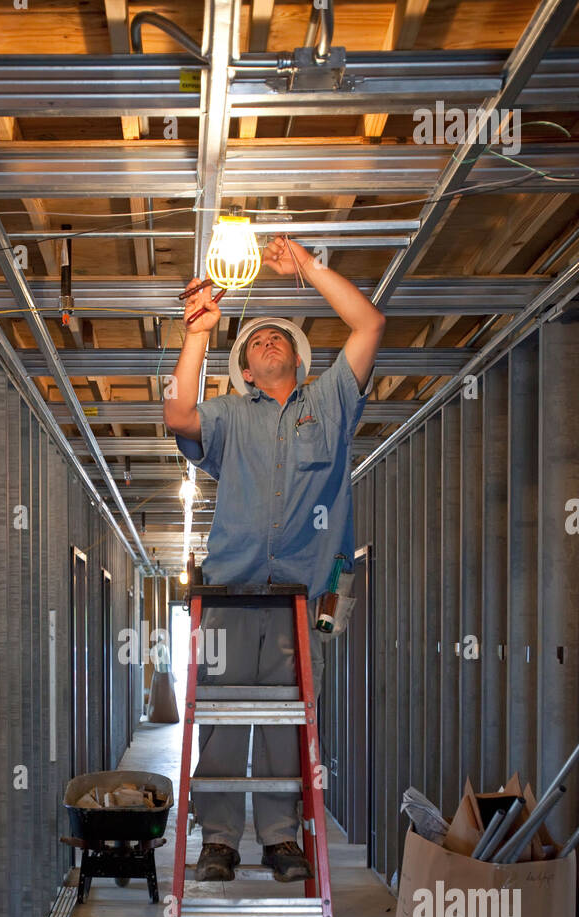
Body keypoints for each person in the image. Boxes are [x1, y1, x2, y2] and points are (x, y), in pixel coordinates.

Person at [164, 235, 385, 882]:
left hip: (304, 596)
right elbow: (177, 411)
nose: (267, 341)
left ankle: (282, 838)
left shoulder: (331, 405)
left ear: (297, 359)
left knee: (292, 722)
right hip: (231, 593)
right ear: (245, 370)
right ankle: (221, 841)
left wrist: (309, 267)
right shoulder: (231, 415)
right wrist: (199, 332)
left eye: (278, 337)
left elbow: (369, 323)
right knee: (226, 720)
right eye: (254, 341)